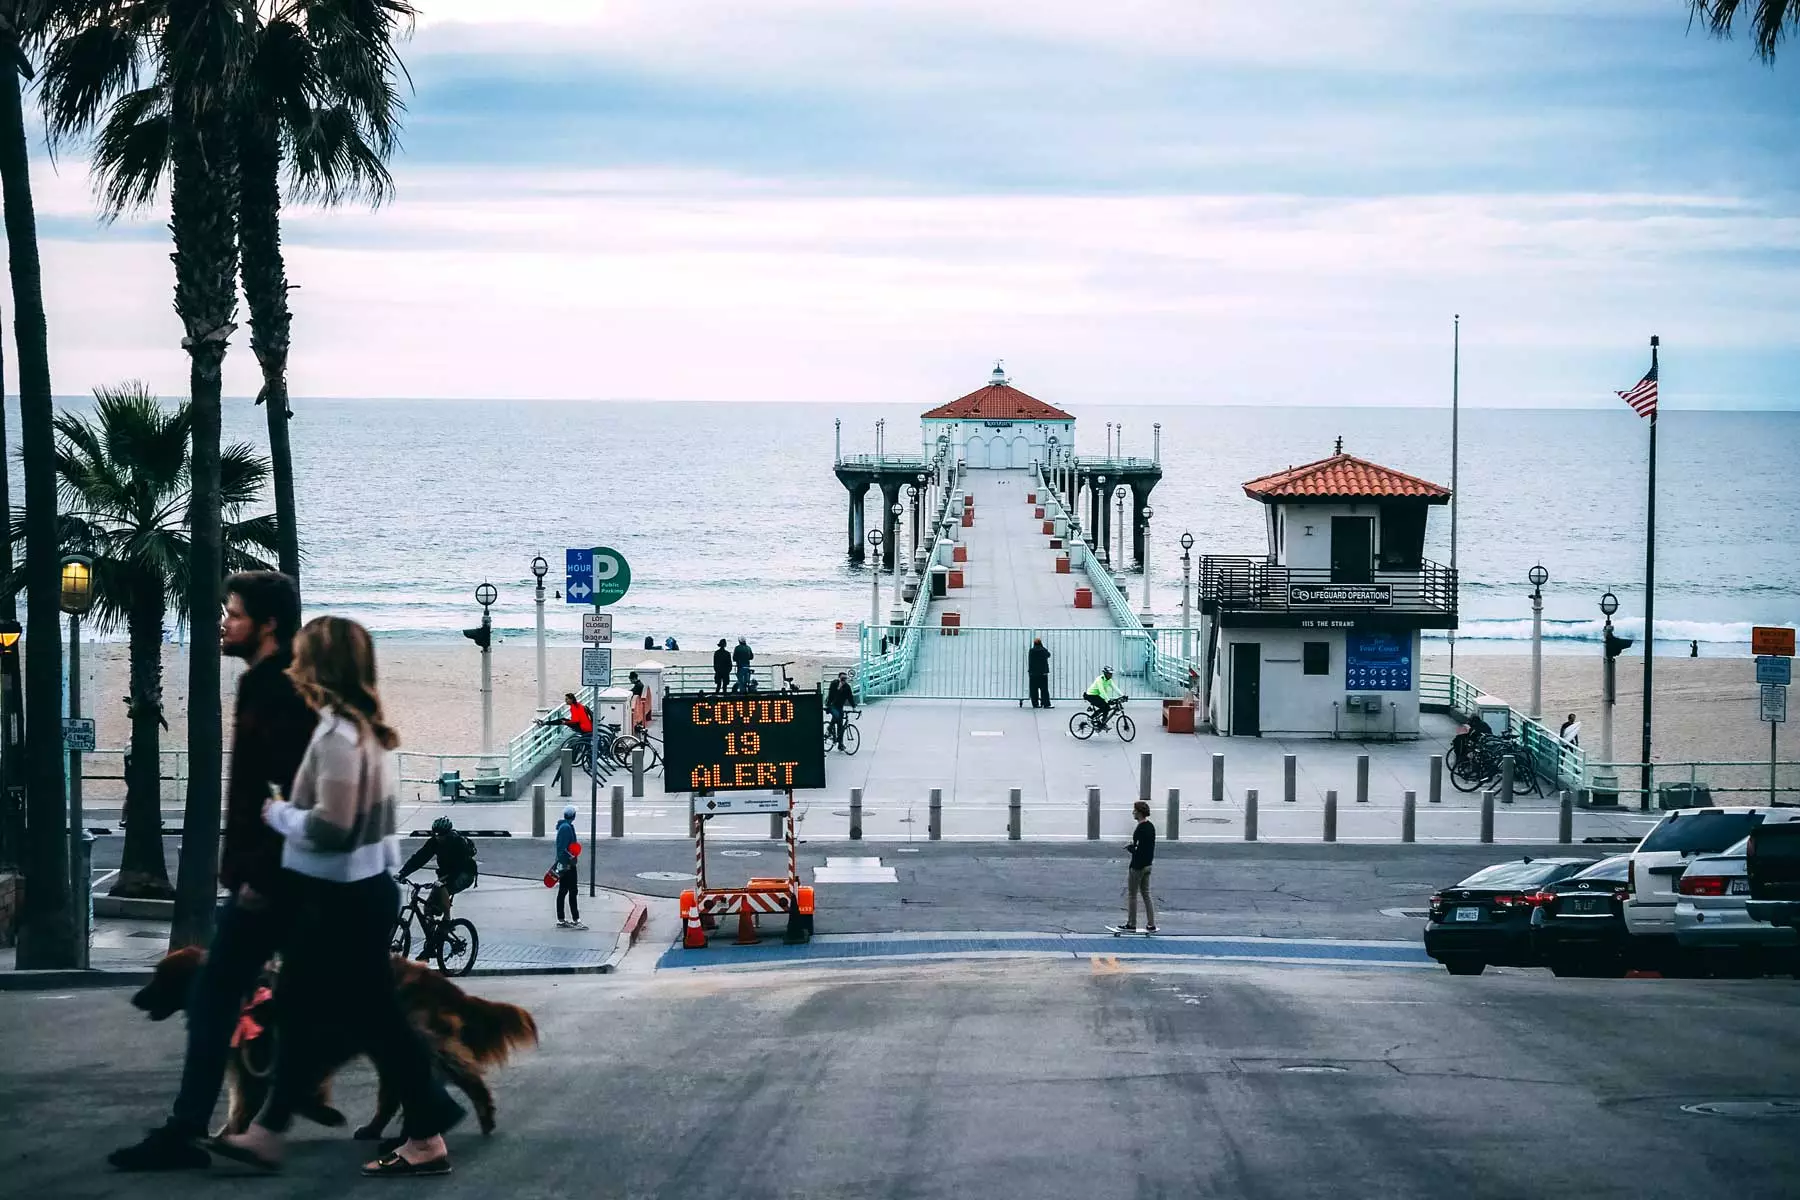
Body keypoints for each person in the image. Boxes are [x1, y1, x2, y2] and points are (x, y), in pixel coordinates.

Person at [214, 615, 463, 1177]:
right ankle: (420, 1126)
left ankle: (275, 1131)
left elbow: (333, 827)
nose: (293, 665)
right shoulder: (361, 733)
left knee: (343, 1015)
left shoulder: (339, 738)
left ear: (319, 666)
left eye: (301, 655)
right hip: (355, 893)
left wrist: (277, 813)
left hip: (342, 900)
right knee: (347, 1016)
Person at [110, 571, 316, 1171]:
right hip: (277, 877)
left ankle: (186, 1131)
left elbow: (285, 788)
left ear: (268, 623)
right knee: (352, 998)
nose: (223, 623)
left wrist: (258, 875)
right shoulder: (271, 683)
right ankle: (428, 1108)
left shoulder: (274, 689)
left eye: (234, 613)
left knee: (215, 998)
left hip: (271, 882)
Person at [400, 816, 480, 922]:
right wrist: (402, 873)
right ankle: (433, 935)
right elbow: (419, 858)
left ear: (448, 833)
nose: (438, 837)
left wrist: (445, 880)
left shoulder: (457, 842)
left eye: (441, 835)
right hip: (446, 875)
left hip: (464, 873)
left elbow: (459, 866)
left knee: (442, 887)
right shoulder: (434, 842)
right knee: (428, 907)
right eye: (435, 834)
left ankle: (447, 919)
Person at [1122, 801, 1157, 933]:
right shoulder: (1151, 827)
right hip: (1148, 865)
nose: (1133, 812)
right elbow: (1148, 847)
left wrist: (1130, 847)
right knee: (1146, 895)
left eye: (1135, 810)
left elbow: (1139, 851)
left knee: (1132, 895)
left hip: (1138, 866)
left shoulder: (1140, 829)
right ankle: (1151, 923)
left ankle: (1131, 923)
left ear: (1139, 812)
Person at [554, 805, 584, 930]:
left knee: (565, 891)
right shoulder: (566, 828)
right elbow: (562, 848)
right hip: (567, 865)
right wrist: (571, 857)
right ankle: (575, 919)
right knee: (571, 891)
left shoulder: (566, 826)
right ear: (573, 815)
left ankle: (562, 919)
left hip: (566, 864)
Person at [826, 671, 856, 748]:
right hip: (832, 705)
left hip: (839, 707)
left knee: (840, 725)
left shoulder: (847, 687)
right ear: (839, 678)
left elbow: (850, 697)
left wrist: (854, 706)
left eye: (845, 679)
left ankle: (840, 743)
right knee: (837, 717)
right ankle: (829, 728)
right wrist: (838, 688)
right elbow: (831, 696)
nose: (844, 680)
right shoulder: (834, 684)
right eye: (842, 678)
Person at [1028, 638, 1052, 709]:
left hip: (1033, 673)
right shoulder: (1043, 650)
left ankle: (1035, 704)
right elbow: (1048, 655)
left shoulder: (1031, 651)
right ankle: (1045, 703)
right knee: (1044, 689)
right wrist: (1042, 647)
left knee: (1033, 689)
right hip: (1043, 673)